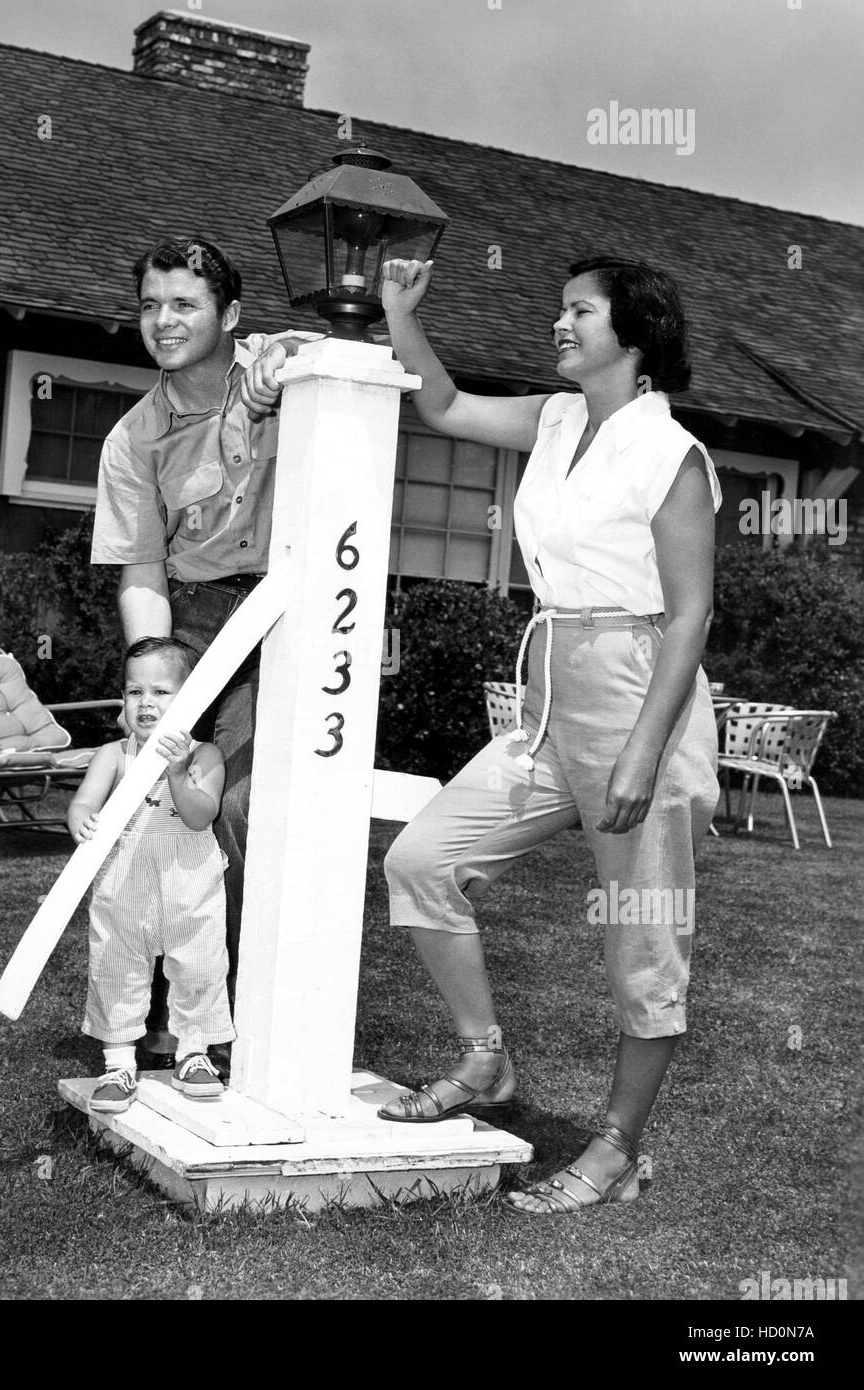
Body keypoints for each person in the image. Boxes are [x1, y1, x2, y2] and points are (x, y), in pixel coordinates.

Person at [376, 254, 721, 1215]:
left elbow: (690, 615)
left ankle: (614, 1149)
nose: (560, 323)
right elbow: (442, 407)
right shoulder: (557, 418)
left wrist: (645, 753)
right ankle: (485, 1061)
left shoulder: (672, 456)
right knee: (423, 859)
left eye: (579, 311)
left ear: (633, 333)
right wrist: (403, 315)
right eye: (561, 309)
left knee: (643, 941)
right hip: (546, 702)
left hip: (635, 694)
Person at [90, 237, 318, 1070]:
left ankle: (247, 1017)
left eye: (184, 303)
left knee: (247, 809)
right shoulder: (131, 440)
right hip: (196, 617)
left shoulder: (277, 366)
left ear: (230, 315)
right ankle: (165, 1014)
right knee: (165, 807)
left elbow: (342, 357)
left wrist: (287, 360)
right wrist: (156, 669)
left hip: (300, 606)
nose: (163, 321)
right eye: (150, 304)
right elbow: (142, 569)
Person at [69, 636, 233, 1111]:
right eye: (134, 691)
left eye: (161, 692)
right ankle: (119, 1061)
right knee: (116, 963)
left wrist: (179, 773)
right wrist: (79, 817)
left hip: (189, 877)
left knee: (199, 962)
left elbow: (200, 815)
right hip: (125, 876)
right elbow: (83, 800)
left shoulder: (205, 756)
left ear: (189, 698)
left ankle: (194, 1052)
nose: (145, 702)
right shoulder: (113, 755)